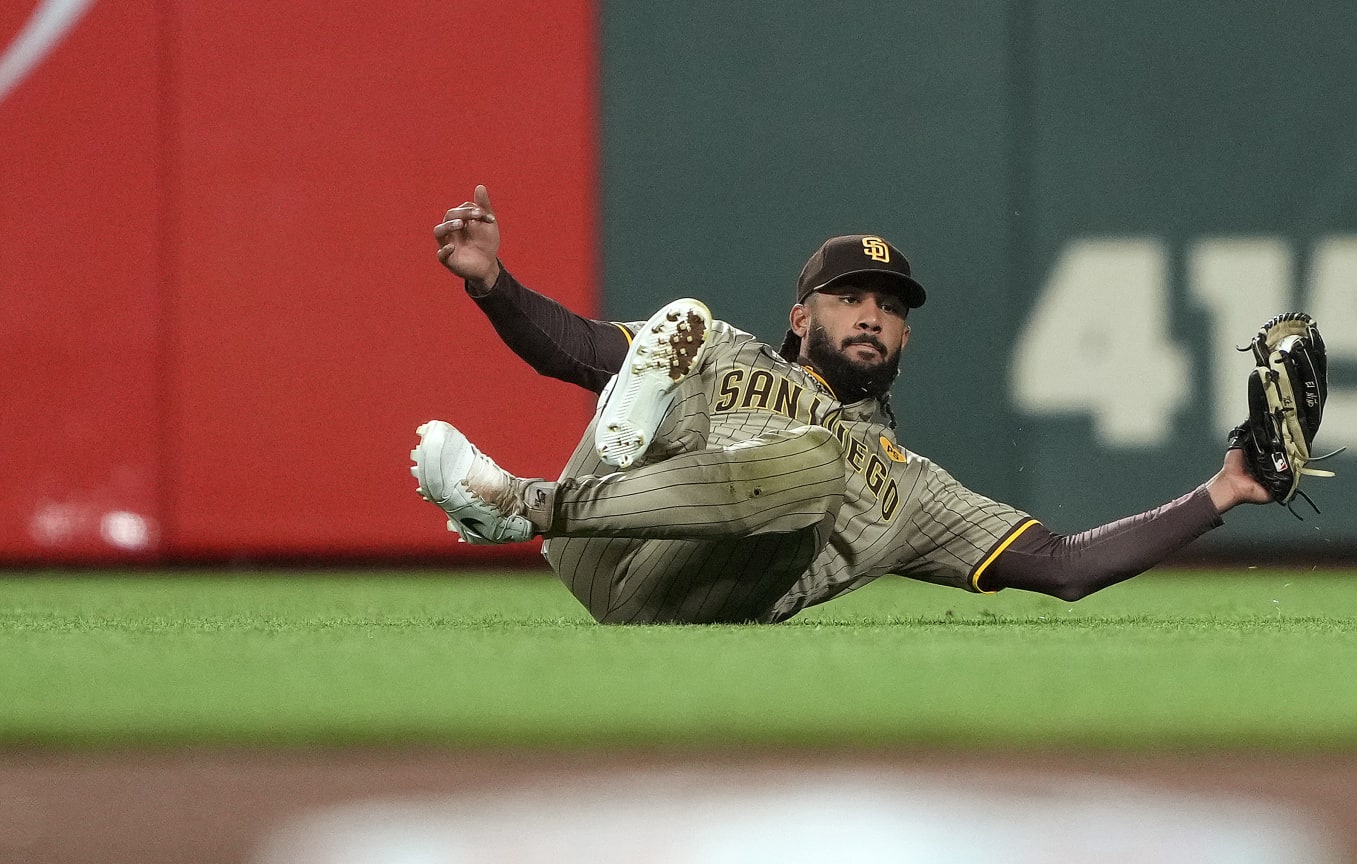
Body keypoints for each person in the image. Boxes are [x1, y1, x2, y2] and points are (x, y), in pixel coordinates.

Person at [411, 185, 1273, 624]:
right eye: (849, 297)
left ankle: (515, 504)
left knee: (815, 466)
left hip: (684, 600)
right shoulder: (731, 350)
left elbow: (1062, 563)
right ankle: (547, 494)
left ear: (905, 338)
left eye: (890, 308)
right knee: (683, 330)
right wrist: (492, 283)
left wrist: (1223, 490)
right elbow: (573, 349)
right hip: (593, 548)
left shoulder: (910, 487)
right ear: (801, 318)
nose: (872, 315)